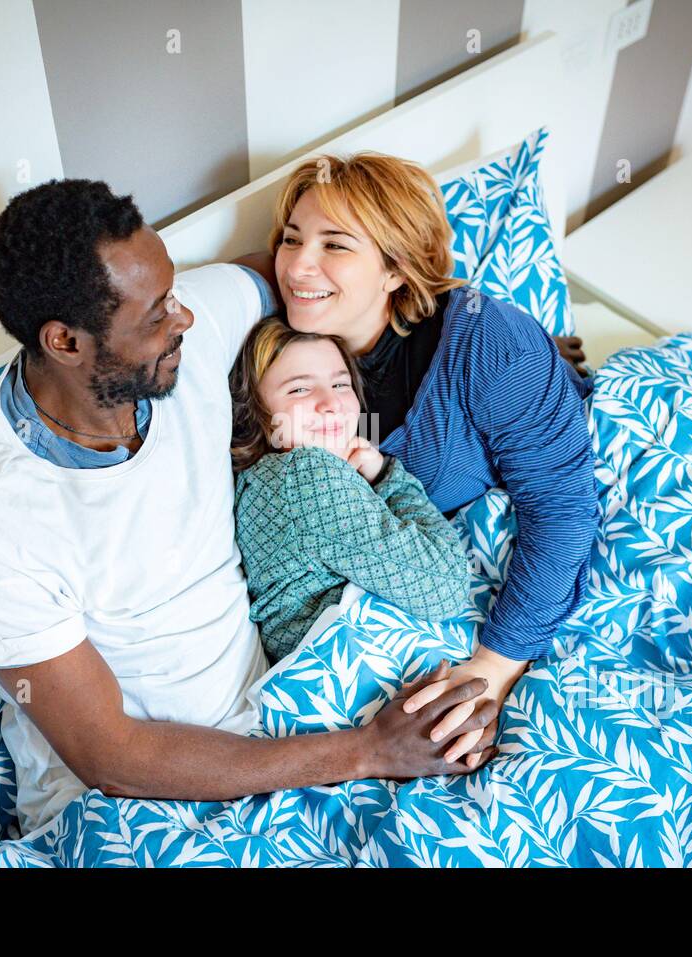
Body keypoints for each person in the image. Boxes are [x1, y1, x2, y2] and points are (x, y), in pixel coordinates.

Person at [0, 179, 498, 836]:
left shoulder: (182, 329)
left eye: (173, 292)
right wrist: (368, 751)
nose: (186, 318)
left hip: (282, 713)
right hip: (134, 806)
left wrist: (461, 347)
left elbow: (294, 278)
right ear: (65, 342)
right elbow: (112, 757)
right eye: (156, 314)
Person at [236, 151, 600, 764]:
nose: (299, 264)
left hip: (530, 540)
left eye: (336, 245)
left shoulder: (486, 344)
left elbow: (562, 511)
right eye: (291, 239)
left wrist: (495, 663)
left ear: (396, 270)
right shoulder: (288, 356)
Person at [229, 317, 470, 666]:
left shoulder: (265, 480)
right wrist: (388, 478)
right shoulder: (305, 476)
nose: (332, 403)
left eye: (341, 385)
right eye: (299, 389)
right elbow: (444, 587)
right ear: (257, 413)